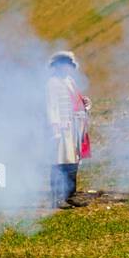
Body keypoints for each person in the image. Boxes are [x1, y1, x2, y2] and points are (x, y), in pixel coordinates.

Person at [46, 51, 91, 209]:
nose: (68, 68)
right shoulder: (52, 82)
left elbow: (74, 100)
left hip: (73, 127)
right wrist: (55, 127)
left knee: (73, 162)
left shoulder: (70, 81)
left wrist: (84, 103)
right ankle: (57, 198)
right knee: (59, 162)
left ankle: (70, 195)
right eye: (65, 65)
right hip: (61, 127)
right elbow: (52, 106)